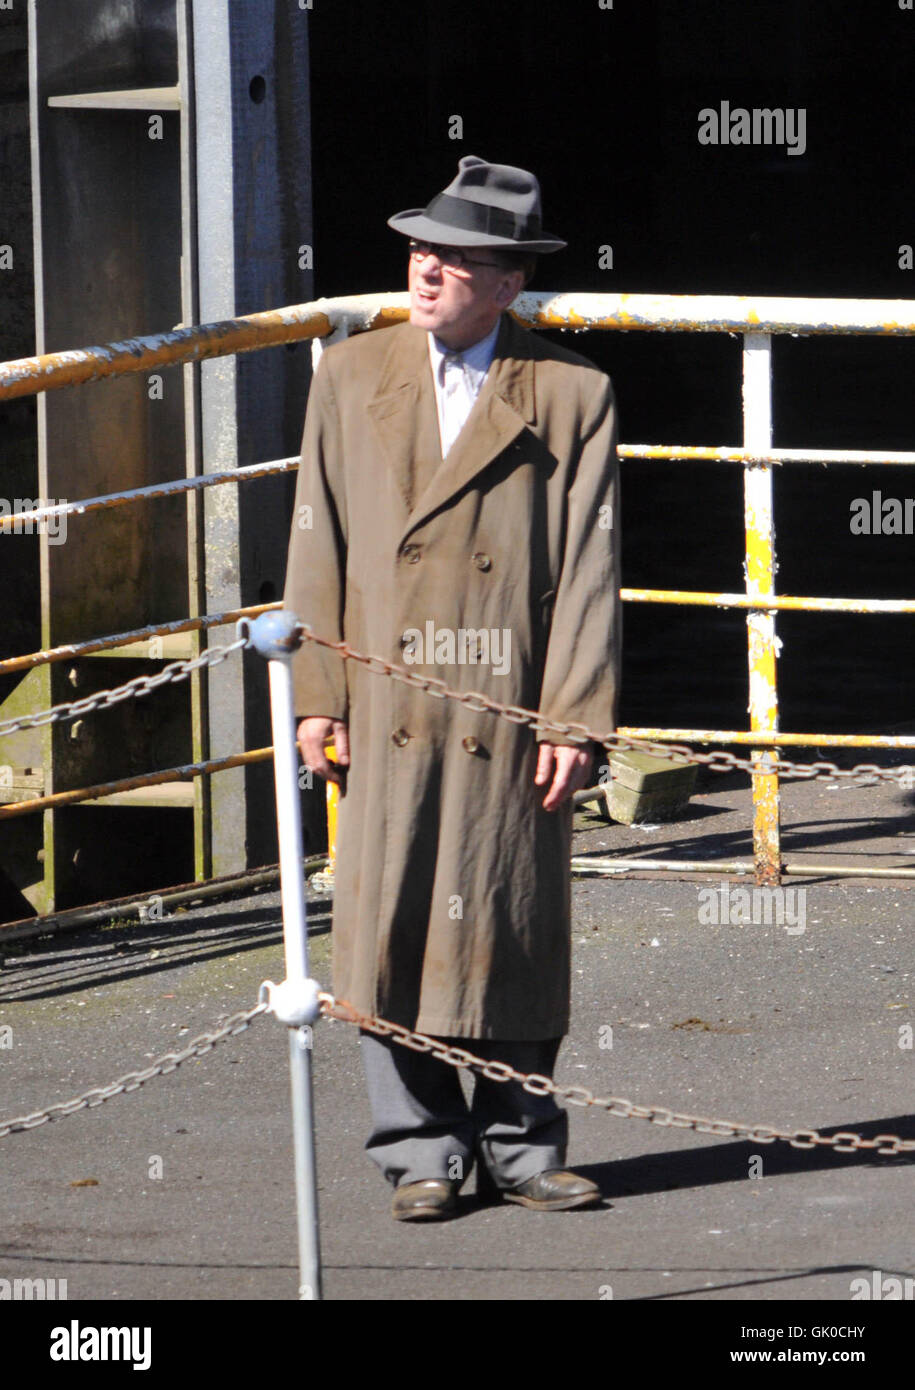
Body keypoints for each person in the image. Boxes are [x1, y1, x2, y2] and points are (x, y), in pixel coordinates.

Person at [283, 155, 621, 1221]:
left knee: (511, 917)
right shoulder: (349, 375)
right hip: (388, 704)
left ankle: (523, 1145)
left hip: (507, 701)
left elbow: (587, 571)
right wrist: (317, 690)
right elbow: (316, 545)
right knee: (387, 923)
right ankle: (419, 1148)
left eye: (454, 256)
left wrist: (575, 715)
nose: (425, 269)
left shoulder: (571, 394)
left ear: (509, 282)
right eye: (420, 248)